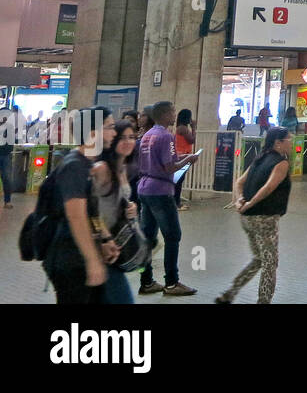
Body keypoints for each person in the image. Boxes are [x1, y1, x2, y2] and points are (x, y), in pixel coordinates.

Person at [44, 107, 120, 303]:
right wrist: (92, 261)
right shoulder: (75, 167)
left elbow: (90, 212)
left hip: (80, 254)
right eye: (110, 127)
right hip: (69, 258)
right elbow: (76, 216)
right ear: (93, 133)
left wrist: (105, 238)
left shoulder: (87, 164)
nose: (114, 133)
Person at [216, 127, 293, 304]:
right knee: (270, 263)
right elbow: (268, 188)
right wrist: (250, 202)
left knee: (259, 258)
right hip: (265, 218)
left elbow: (239, 182)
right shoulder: (281, 163)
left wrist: (240, 200)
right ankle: (263, 301)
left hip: (247, 219)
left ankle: (231, 292)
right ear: (278, 142)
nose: (291, 142)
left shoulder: (259, 159)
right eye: (288, 139)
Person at [137, 101, 200, 296]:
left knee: (147, 237)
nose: (175, 115)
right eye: (172, 111)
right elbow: (169, 167)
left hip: (145, 188)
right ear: (164, 115)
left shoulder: (147, 135)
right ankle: (172, 282)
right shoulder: (166, 136)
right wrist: (188, 159)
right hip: (161, 190)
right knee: (173, 236)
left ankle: (146, 281)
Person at [88, 117, 139, 304]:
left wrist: (130, 207)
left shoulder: (122, 169)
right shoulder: (101, 169)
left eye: (132, 137)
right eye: (122, 138)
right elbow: (88, 208)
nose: (128, 142)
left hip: (114, 248)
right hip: (98, 246)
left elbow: (115, 201)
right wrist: (103, 236)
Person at [173, 108, 195, 210]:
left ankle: (176, 202)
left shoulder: (180, 128)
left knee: (179, 180)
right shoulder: (183, 128)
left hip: (181, 155)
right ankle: (176, 203)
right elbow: (191, 140)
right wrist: (194, 128)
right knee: (179, 181)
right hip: (182, 156)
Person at [0, 105, 17, 208]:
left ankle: (7, 201)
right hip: (5, 155)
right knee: (7, 177)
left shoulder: (10, 128)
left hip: (6, 155)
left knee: (7, 178)